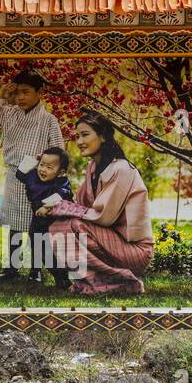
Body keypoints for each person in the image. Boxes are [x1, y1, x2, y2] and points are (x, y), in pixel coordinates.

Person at [45, 111, 153, 295]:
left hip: (135, 250)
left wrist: (62, 206)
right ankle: (97, 280)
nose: (79, 141)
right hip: (112, 242)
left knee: (72, 224)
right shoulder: (92, 168)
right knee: (58, 225)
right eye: (77, 136)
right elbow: (82, 205)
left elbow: (103, 217)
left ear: (103, 136)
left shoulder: (121, 169)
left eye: (85, 135)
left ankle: (124, 282)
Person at [0, 69, 64, 278]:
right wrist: (1, 92)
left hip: (39, 178)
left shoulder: (49, 120)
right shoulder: (9, 112)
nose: (20, 97)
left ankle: (36, 271)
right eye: (16, 93)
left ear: (39, 92)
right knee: (14, 225)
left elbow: (59, 151)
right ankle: (11, 269)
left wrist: (46, 169)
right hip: (13, 175)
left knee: (37, 225)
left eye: (25, 92)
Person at [15, 146, 73, 284]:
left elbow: (63, 194)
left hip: (54, 219)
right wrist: (33, 160)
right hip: (38, 217)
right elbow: (19, 174)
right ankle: (35, 272)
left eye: (49, 167)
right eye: (42, 165)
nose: (43, 170)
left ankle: (61, 278)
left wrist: (47, 207)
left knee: (48, 249)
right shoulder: (33, 176)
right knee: (35, 243)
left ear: (60, 172)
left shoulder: (61, 181)